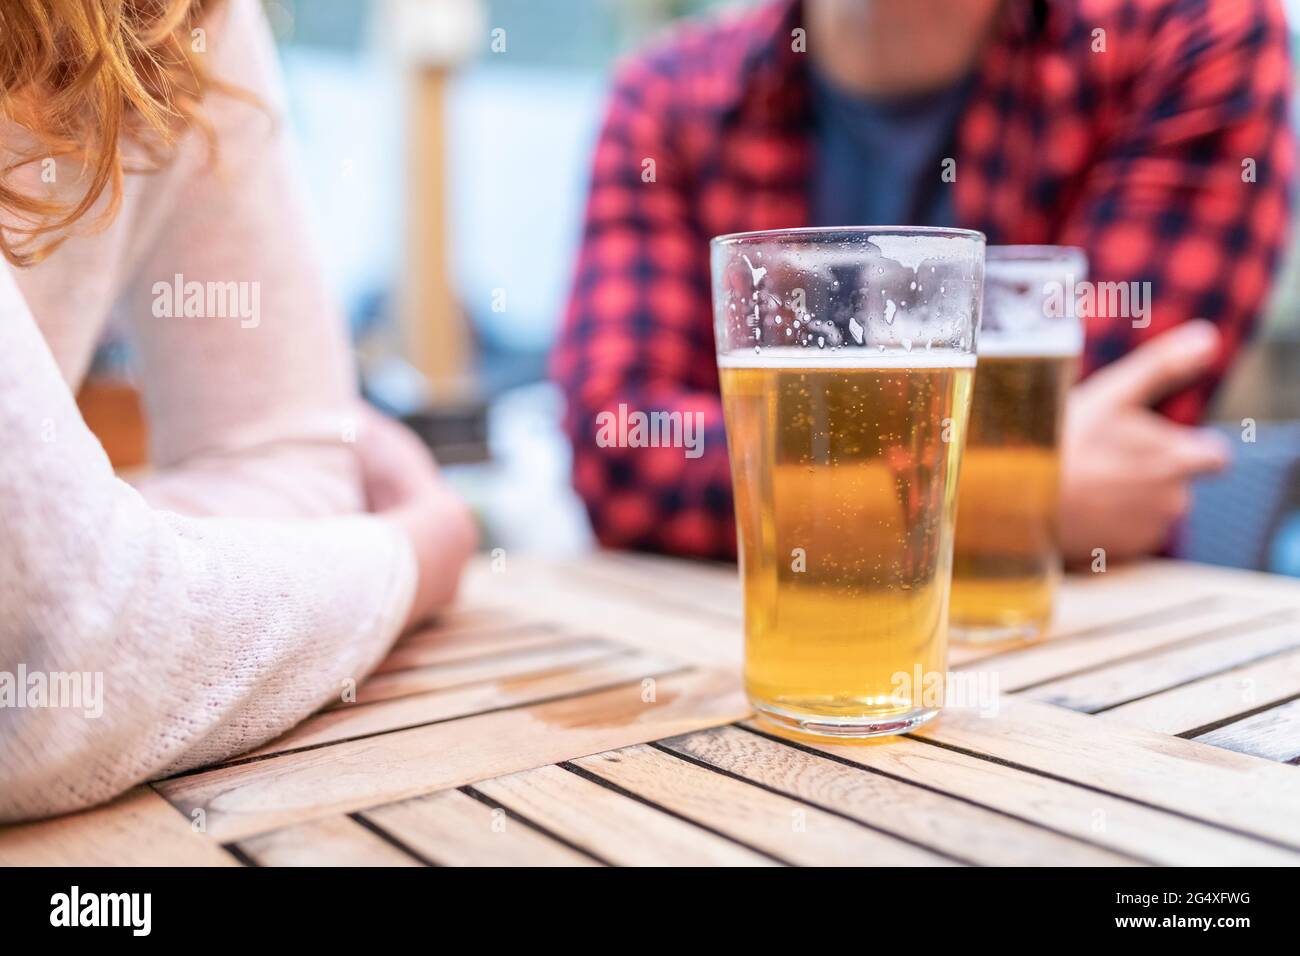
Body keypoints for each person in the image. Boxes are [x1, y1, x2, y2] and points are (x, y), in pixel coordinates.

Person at [552, 0, 1295, 563]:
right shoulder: (664, 96)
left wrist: (791, 482)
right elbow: (620, 453)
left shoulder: (1189, 33)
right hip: (723, 658)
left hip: (1086, 664)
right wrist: (1002, 498)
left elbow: (1116, 440)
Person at [0, 0, 476, 821]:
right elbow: (57, 659)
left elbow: (286, 465)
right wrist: (415, 552)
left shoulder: (185, 19)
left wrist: (118, 560)